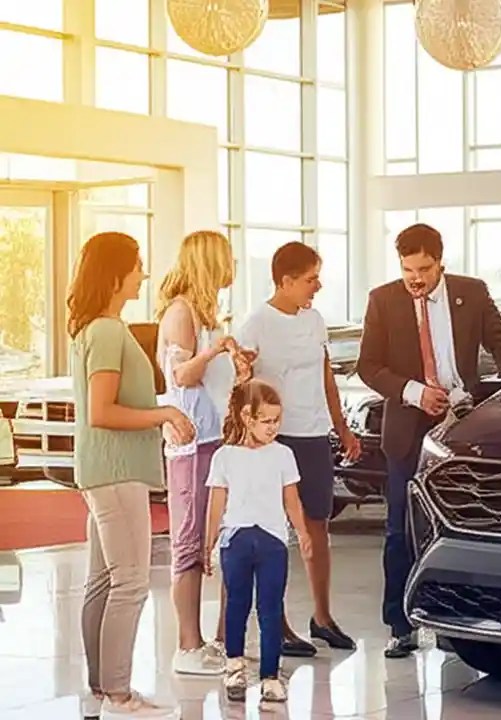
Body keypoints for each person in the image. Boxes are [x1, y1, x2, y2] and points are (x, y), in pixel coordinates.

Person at [356, 223, 501, 659]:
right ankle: (400, 625)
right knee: (400, 528)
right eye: (408, 268)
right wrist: (414, 391)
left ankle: (459, 621)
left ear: (440, 262)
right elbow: (369, 366)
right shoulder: (384, 299)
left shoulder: (472, 292)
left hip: (464, 428)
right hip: (405, 431)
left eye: (424, 268)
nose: (415, 277)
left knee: (464, 524)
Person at [69, 232, 195, 719]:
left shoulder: (96, 329)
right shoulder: (105, 331)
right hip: (115, 471)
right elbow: (103, 411)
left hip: (103, 470)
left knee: (102, 582)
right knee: (130, 583)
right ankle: (120, 695)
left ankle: (104, 689)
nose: (144, 273)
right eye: (138, 265)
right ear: (117, 272)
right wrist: (164, 413)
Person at [233, 241, 361, 656]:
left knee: (317, 526)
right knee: (274, 532)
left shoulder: (314, 319)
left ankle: (322, 618)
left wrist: (342, 428)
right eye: (310, 279)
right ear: (285, 281)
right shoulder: (256, 324)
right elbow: (241, 387)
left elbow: (325, 377)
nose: (317, 286)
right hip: (274, 438)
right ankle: (278, 624)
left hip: (312, 434)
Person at [154, 229, 245, 676]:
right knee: (189, 540)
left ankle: (222, 641)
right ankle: (188, 646)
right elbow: (182, 376)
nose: (234, 264)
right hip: (192, 447)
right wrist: (215, 350)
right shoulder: (180, 313)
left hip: (217, 442)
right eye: (227, 256)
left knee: (223, 537)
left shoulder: (208, 315)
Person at [203, 379, 313, 704]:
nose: (273, 427)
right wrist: (208, 542)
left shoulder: (283, 455)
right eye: (266, 421)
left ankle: (270, 676)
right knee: (237, 604)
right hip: (235, 540)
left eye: (277, 420)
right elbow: (216, 505)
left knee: (270, 608)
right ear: (247, 418)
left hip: (273, 542)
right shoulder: (224, 457)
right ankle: (234, 666)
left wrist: (303, 532)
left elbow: (292, 500)